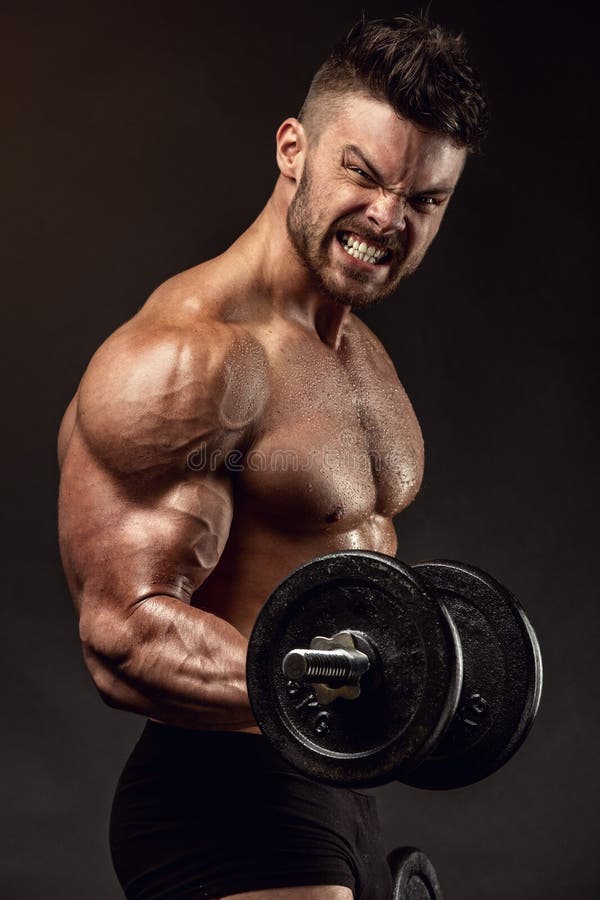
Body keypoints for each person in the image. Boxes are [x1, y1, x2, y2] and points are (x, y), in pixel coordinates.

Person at [58, 12, 487, 900]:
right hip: (224, 796)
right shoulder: (191, 359)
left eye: (424, 200)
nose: (387, 217)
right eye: (363, 174)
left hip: (337, 786)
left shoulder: (356, 352)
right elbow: (123, 634)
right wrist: (346, 685)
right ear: (294, 148)